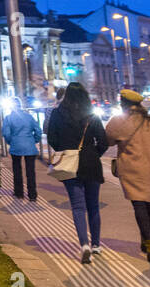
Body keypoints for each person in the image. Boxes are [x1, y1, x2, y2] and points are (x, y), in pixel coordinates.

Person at [43, 82, 109, 264]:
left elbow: (52, 139)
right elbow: (103, 141)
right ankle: (96, 245)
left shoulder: (57, 113)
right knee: (93, 205)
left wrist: (65, 150)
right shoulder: (91, 114)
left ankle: (84, 245)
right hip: (91, 163)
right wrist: (94, 153)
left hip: (70, 163)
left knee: (78, 206)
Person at [105, 89, 150, 263]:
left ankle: (148, 241)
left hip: (131, 169)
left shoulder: (118, 121)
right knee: (147, 202)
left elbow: (108, 140)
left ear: (123, 103)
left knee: (138, 203)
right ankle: (145, 239)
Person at [2, 104, 43, 200]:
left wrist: (11, 142)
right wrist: (34, 140)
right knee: (30, 171)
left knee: (17, 170)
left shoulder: (8, 118)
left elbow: (6, 133)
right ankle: (32, 195)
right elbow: (38, 131)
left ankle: (19, 192)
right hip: (29, 146)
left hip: (16, 146)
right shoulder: (29, 117)